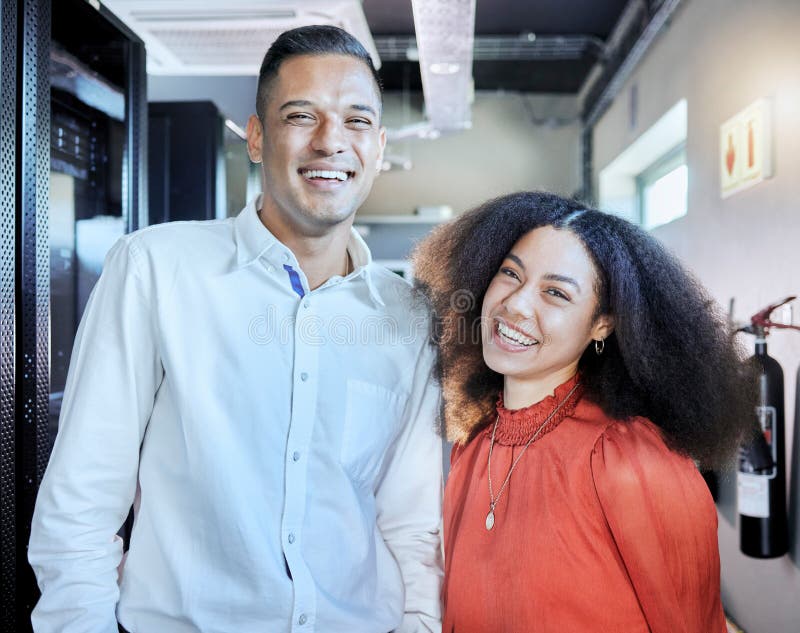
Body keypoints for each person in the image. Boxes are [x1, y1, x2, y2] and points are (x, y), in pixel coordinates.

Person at [29, 26, 443, 633]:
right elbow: (81, 502)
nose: (332, 142)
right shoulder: (155, 268)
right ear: (256, 137)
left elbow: (411, 523)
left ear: (378, 148)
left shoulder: (408, 318)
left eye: (356, 121)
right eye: (301, 116)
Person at [412, 191, 754, 632]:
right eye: (510, 274)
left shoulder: (629, 459)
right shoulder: (474, 445)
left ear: (602, 324)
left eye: (555, 292)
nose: (515, 304)